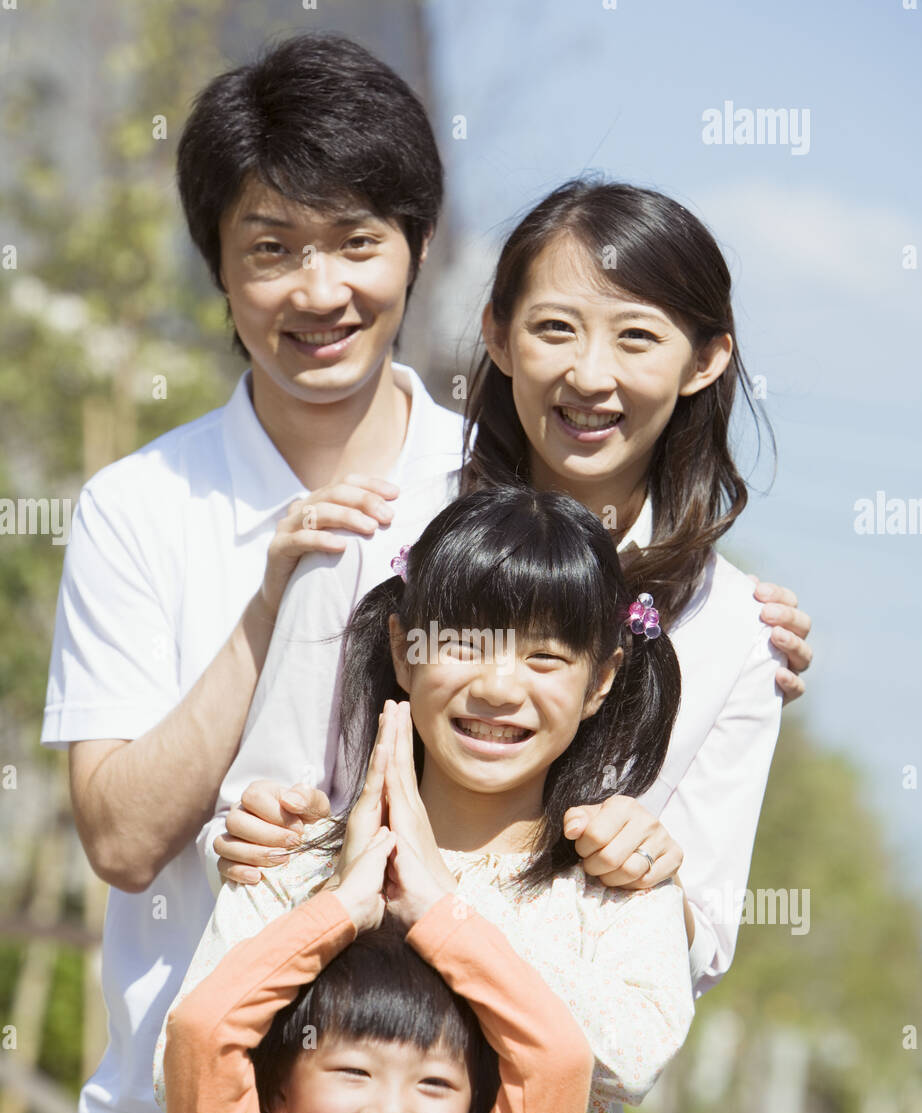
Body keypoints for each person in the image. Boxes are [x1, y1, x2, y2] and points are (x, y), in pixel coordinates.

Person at [40, 32, 455, 1113]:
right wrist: (268, 605)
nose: (317, 290)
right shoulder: (135, 505)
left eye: (354, 241)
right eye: (271, 248)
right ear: (221, 273)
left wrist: (713, 625)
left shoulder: (492, 488)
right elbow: (117, 836)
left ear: (414, 249)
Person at [205, 177, 811, 1001]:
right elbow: (254, 826)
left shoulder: (735, 634)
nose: (590, 376)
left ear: (705, 360)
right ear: (496, 333)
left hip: (548, 1097)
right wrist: (250, 834)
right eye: (554, 329)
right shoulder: (367, 535)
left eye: (637, 338)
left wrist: (648, 874)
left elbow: (698, 946)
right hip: (338, 1065)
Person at [157, 487, 697, 1113]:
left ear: (602, 682)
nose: (498, 688)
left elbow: (630, 1054)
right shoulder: (298, 866)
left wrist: (447, 912)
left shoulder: (619, 886)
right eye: (463, 646)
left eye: (546, 658)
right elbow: (191, 1066)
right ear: (404, 650)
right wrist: (335, 910)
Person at [163, 824, 594, 1113]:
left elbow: (559, 1059)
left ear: (474, 1110)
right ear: (279, 1088)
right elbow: (203, 1030)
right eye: (354, 1072)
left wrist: (437, 915)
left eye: (433, 1083)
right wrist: (342, 910)